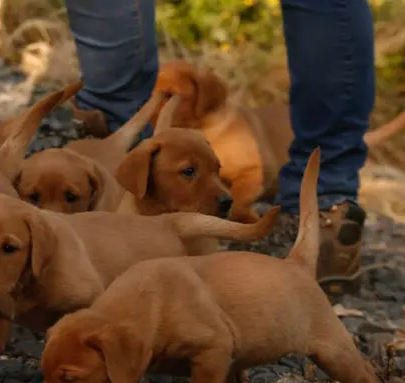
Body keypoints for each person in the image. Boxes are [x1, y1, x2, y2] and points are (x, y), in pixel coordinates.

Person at [64, 0, 375, 296]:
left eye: (169, 97)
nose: (158, 107)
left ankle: (101, 148)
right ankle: (326, 213)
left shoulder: (224, 132)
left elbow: (254, 170)